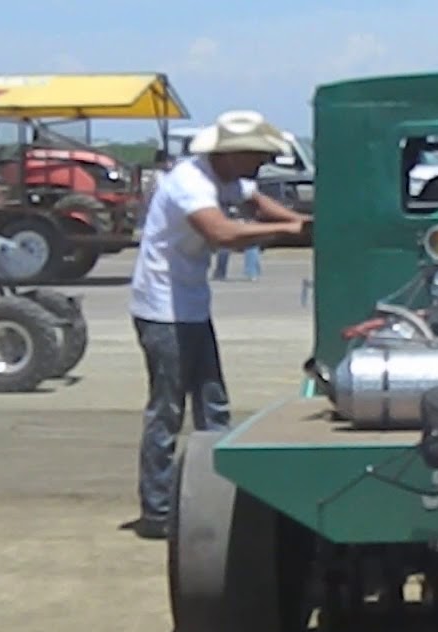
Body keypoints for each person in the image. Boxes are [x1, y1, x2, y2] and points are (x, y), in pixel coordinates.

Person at [128, 110, 310, 539]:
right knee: (168, 410)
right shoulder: (190, 182)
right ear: (232, 153)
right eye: (258, 156)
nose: (262, 165)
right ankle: (156, 510)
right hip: (162, 309)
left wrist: (293, 219)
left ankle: (224, 497)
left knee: (213, 405)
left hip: (189, 305)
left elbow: (255, 200)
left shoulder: (224, 177)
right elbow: (222, 234)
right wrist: (290, 227)